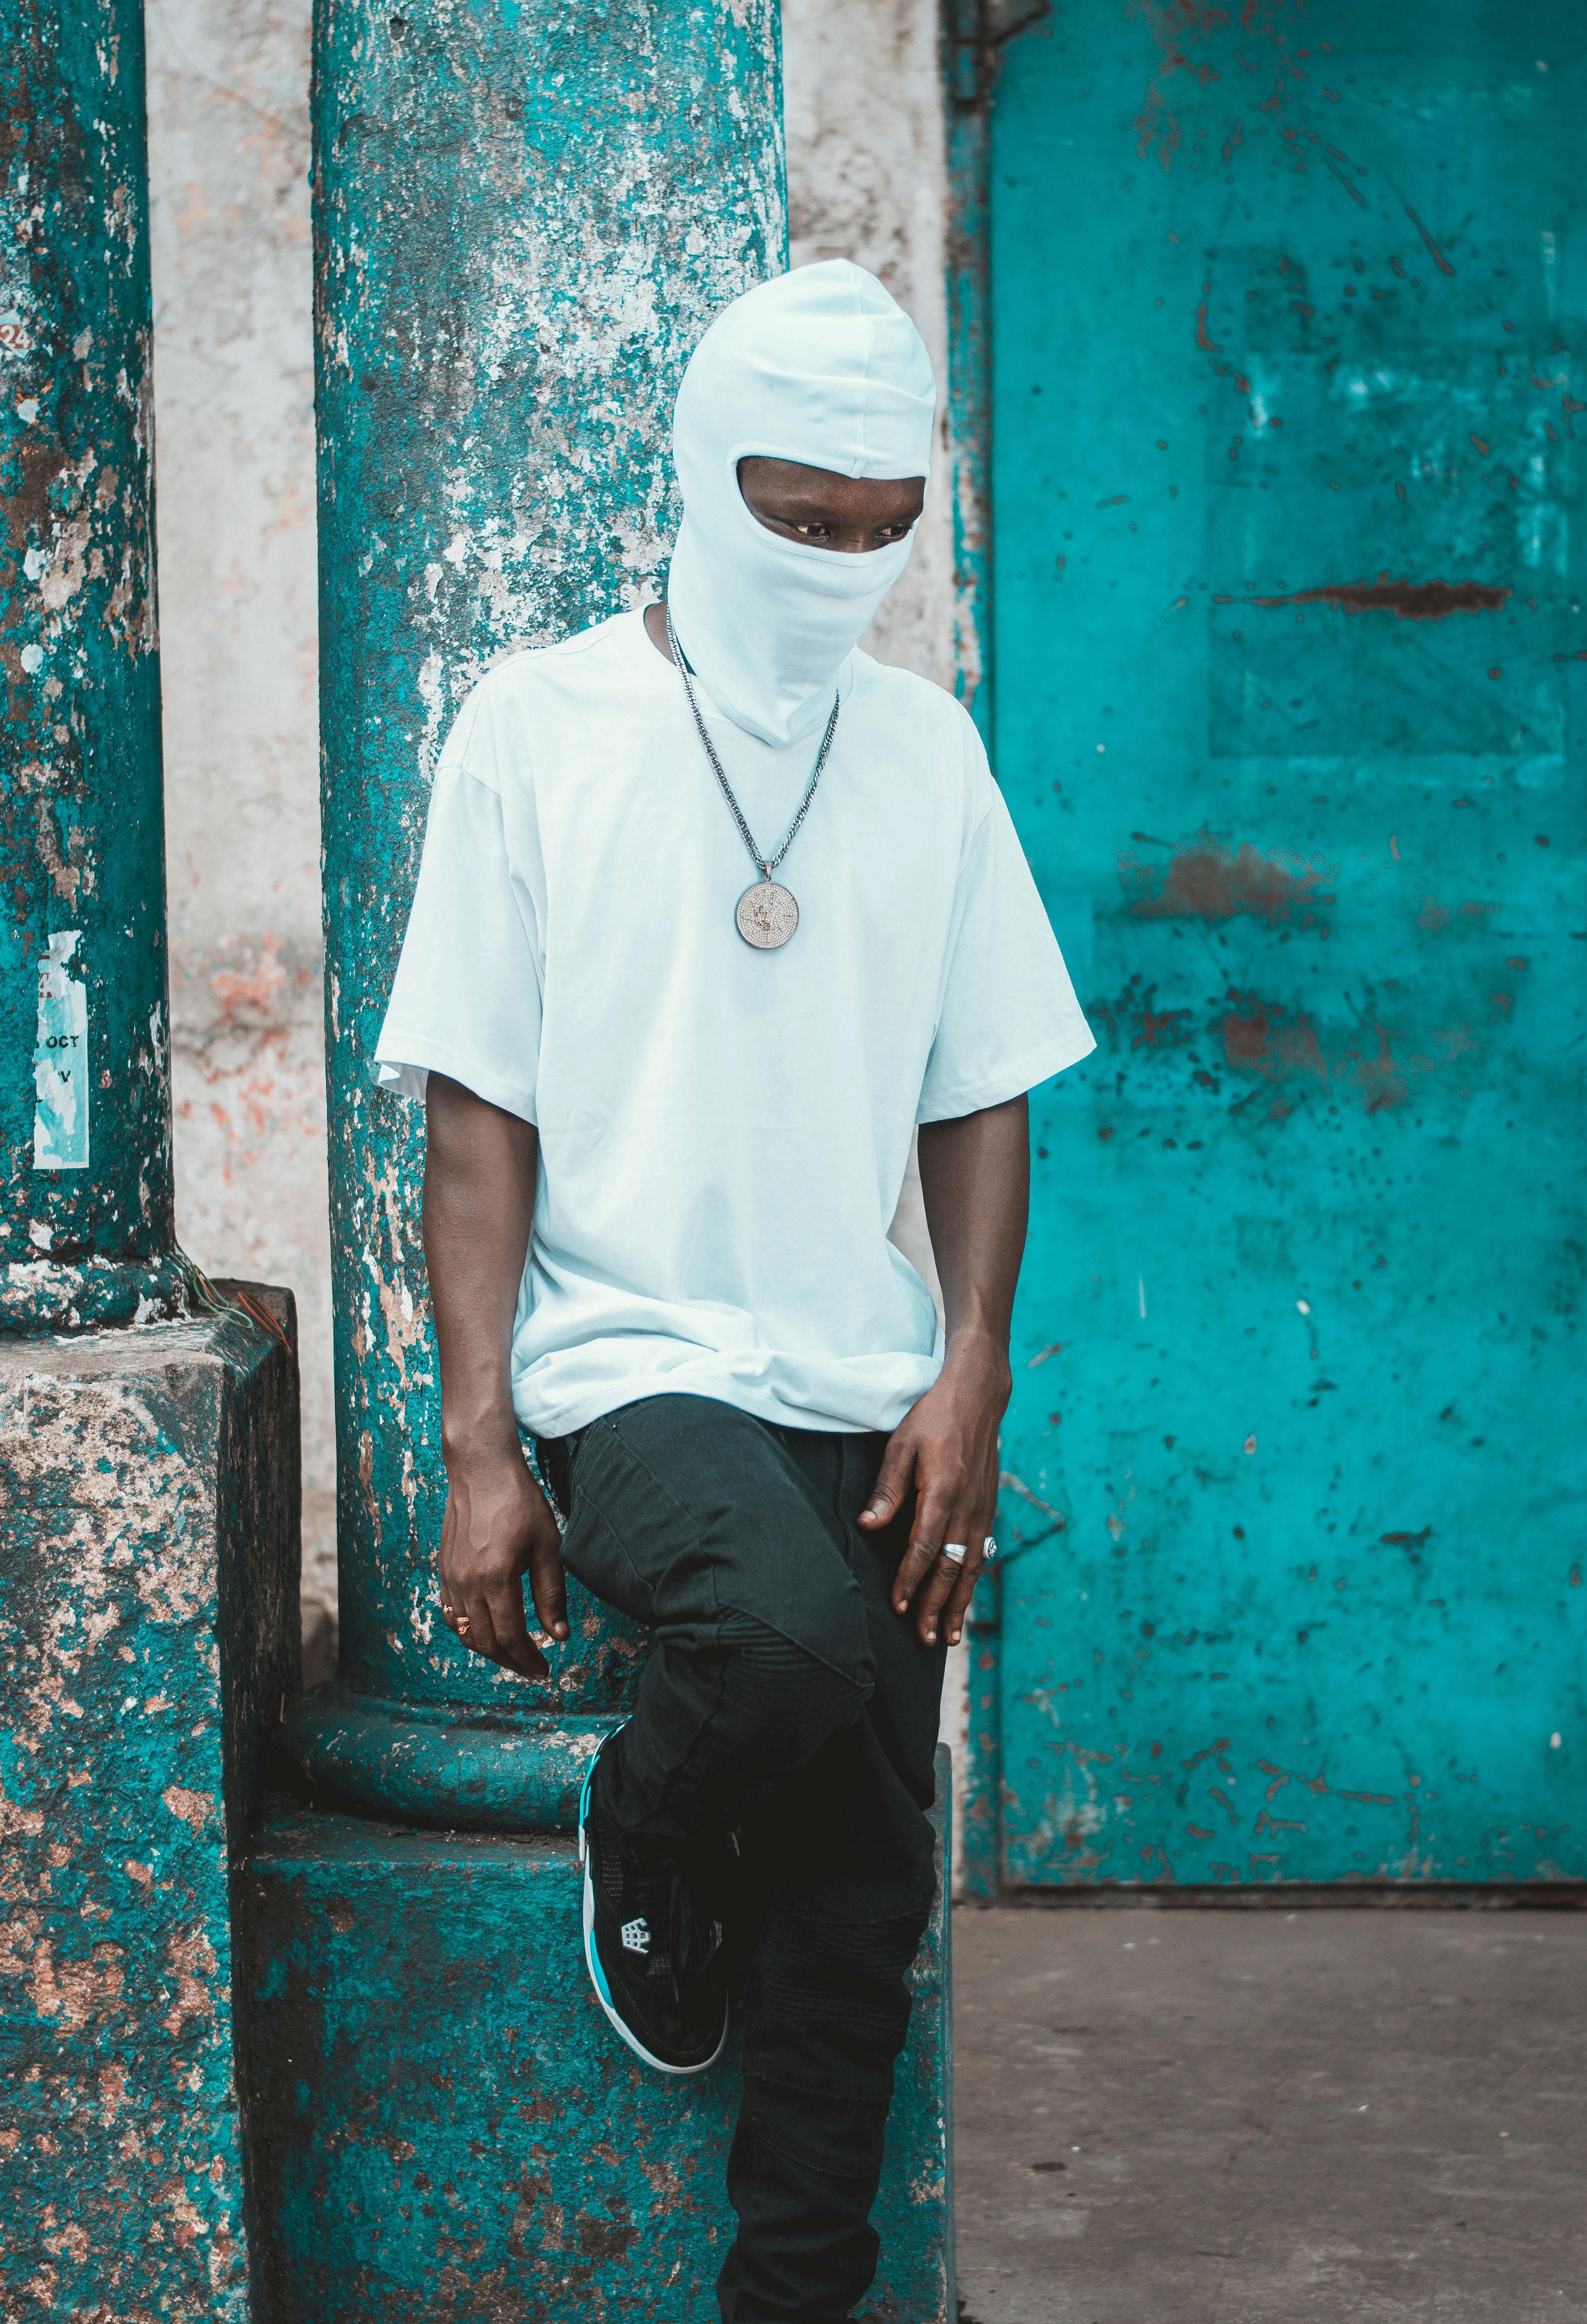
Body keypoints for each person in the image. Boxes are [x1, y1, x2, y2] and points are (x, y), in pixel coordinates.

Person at [373, 259, 1094, 2324]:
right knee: (775, 1657)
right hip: (637, 1366)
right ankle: (643, 1817)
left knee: (867, 1897)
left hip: (862, 1377)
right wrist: (481, 1443)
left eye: (881, 532)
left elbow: (983, 1091)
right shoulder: (540, 725)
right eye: (797, 516)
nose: (836, 567)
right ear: (701, 477)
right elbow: (475, 1120)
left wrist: (970, 1366)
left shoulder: (927, 752)